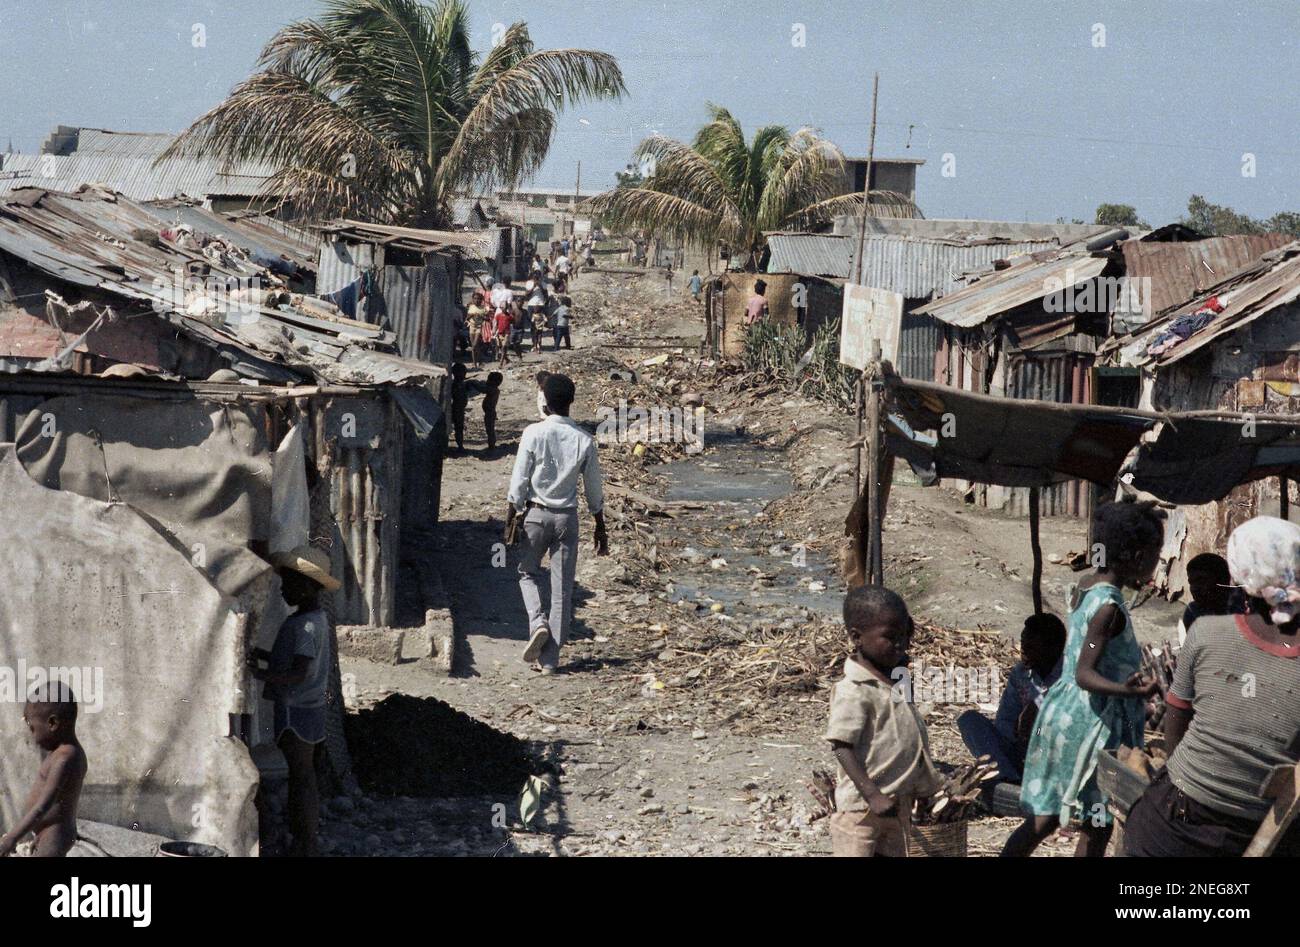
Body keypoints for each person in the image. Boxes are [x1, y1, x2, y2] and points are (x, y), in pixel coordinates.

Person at [1125, 516, 1300, 857]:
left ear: (1238, 577)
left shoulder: (1205, 632)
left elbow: (1175, 729)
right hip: (1262, 829)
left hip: (1175, 821)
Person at [1002, 499, 1164, 857]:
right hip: (1092, 723)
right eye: (1155, 554)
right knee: (1097, 821)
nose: (1157, 562)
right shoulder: (1108, 606)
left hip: (1066, 712)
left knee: (1047, 815)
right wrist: (1127, 689)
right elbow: (1084, 673)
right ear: (1136, 556)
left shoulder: (1087, 585)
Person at [825, 586, 942, 857]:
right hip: (861, 808)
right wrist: (872, 795)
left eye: (904, 636)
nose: (900, 644)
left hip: (897, 803)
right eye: (890, 637)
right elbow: (842, 746)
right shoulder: (853, 690)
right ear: (856, 637)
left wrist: (928, 786)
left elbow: (909, 735)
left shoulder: (896, 679)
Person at [506, 373, 608, 673]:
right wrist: (600, 524)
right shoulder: (584, 439)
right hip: (567, 518)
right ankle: (549, 660)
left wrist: (510, 516)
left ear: (545, 401)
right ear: (571, 402)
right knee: (562, 588)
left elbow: (519, 480)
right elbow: (594, 489)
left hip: (536, 515)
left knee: (527, 572)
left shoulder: (533, 433)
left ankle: (537, 622)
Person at [249, 546, 341, 857]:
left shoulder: (303, 625)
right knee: (303, 775)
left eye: (289, 584)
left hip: (295, 710)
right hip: (310, 710)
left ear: (307, 585)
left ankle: (306, 842)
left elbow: (298, 673)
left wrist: (259, 675)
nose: (284, 590)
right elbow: (291, 662)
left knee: (300, 777)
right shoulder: (314, 619)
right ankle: (303, 838)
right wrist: (263, 658)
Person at [957, 614, 1065, 783]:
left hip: (1053, 754)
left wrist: (1038, 713)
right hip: (1021, 752)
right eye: (1023, 643)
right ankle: (1008, 781)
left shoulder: (1070, 677)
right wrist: (1016, 733)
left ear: (1053, 648)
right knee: (969, 721)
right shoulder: (1021, 674)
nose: (1023, 650)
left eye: (1032, 646)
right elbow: (1004, 721)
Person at [0, 682, 88, 857]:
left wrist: (12, 838)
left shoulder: (65, 758)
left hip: (55, 836)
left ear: (52, 723)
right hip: (47, 833)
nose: (31, 737)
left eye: (32, 728)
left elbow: (43, 806)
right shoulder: (60, 753)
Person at [1177, 552, 1243, 645]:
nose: (1195, 588)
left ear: (1221, 580)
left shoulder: (1244, 608)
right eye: (1191, 582)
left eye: (1201, 580)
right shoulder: (1193, 612)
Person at [449, 361, 468, 451]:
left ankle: (460, 445)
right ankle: (460, 446)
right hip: (457, 409)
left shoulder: (459, 384)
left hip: (459, 409)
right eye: (464, 373)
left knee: (459, 428)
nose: (465, 375)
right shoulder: (456, 385)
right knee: (459, 428)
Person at [466, 292, 488, 369]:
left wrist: (481, 316)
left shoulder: (483, 308)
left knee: (475, 345)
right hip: (472, 326)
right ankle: (475, 363)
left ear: (481, 300)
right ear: (473, 299)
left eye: (479, 299)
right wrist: (472, 315)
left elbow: (487, 319)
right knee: (474, 347)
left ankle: (479, 361)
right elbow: (467, 318)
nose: (477, 300)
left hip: (479, 327)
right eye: (475, 298)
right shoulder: (471, 307)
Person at [482, 371, 502, 451]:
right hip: (490, 412)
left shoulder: (493, 390)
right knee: (490, 429)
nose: (487, 382)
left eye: (489, 380)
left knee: (490, 430)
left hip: (490, 413)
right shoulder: (495, 389)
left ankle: (491, 446)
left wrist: (473, 383)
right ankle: (492, 444)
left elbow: (482, 389)